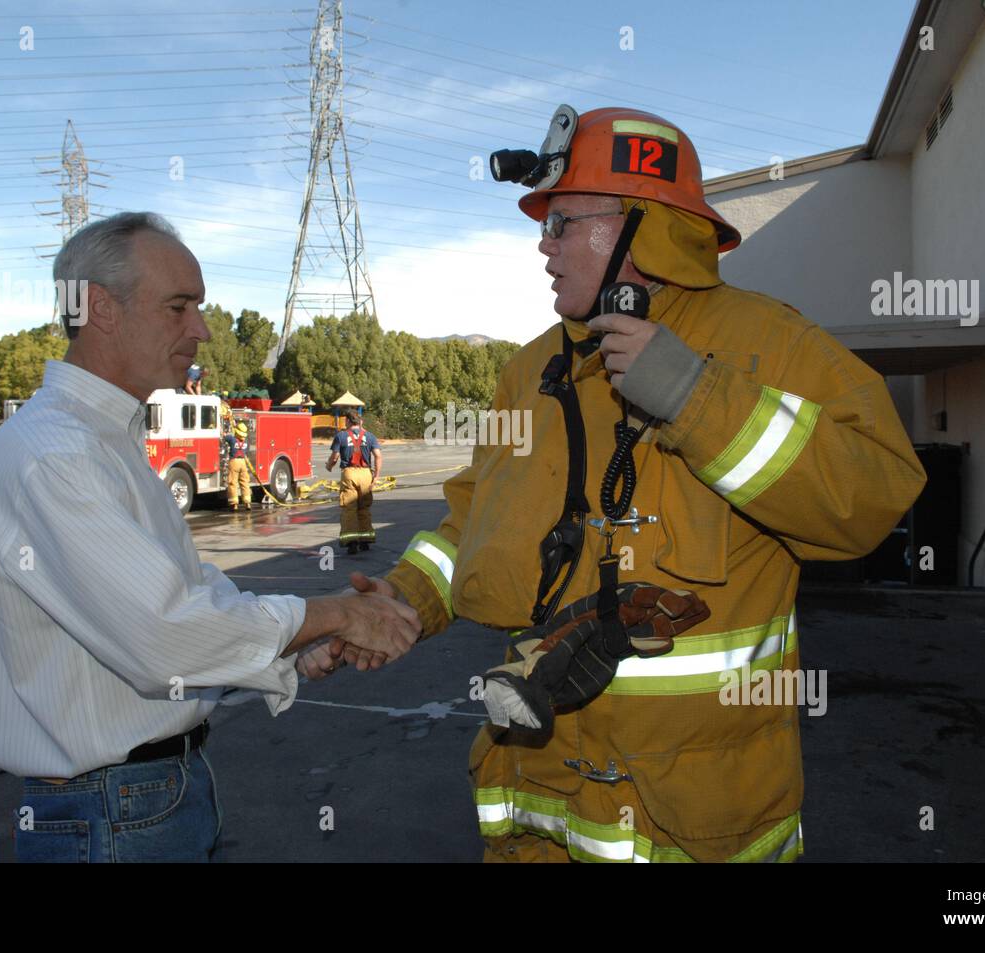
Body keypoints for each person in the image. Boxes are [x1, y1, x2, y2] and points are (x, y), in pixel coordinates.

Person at [339, 106, 926, 862]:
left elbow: (876, 490)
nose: (542, 246)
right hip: (539, 816)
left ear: (642, 227)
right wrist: (407, 601)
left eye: (562, 223)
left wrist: (695, 397)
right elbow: (471, 520)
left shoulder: (769, 344)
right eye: (543, 225)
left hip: (695, 831)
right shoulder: (528, 372)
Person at [0, 212, 420, 863]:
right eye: (179, 306)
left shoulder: (100, 438)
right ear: (101, 309)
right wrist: (339, 612)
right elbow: (165, 633)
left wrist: (299, 643)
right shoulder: (55, 451)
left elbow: (187, 594)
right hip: (114, 816)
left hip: (137, 802)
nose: (201, 329)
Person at [325, 410, 381, 554]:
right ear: (360, 422)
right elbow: (378, 456)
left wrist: (329, 465)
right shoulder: (370, 436)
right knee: (364, 508)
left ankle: (351, 542)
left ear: (348, 421)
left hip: (349, 473)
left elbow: (335, 456)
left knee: (349, 508)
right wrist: (376, 476)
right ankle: (365, 540)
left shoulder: (341, 436)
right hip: (366, 474)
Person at [225, 419, 252, 511]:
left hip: (234, 462)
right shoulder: (246, 441)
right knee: (244, 482)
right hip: (243, 462)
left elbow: (224, 437)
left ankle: (234, 504)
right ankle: (247, 503)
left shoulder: (232, 439)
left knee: (233, 482)